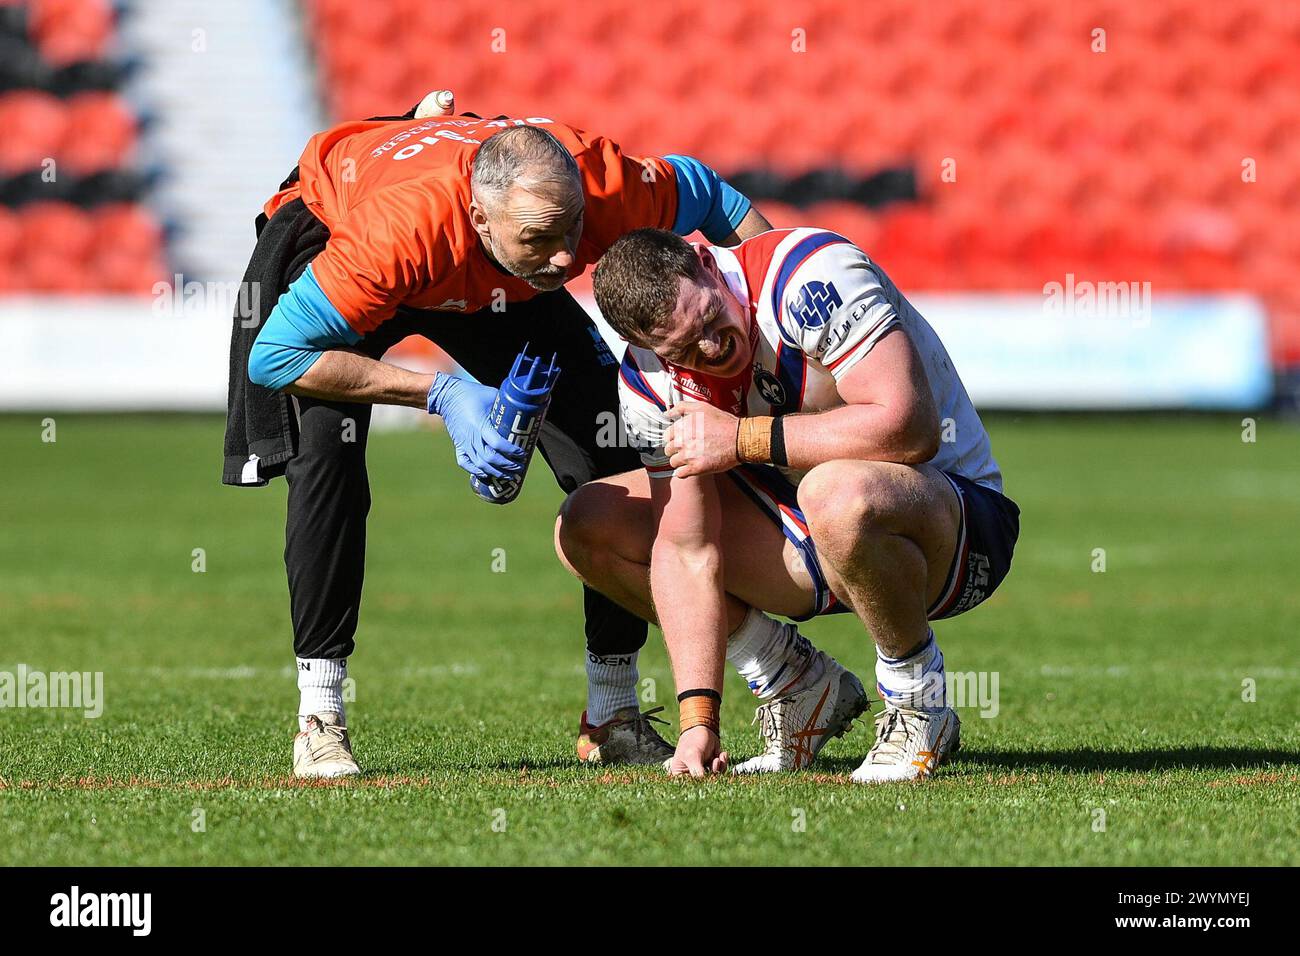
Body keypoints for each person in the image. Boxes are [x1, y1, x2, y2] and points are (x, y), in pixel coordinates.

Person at [224, 98, 773, 777]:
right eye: (543, 238)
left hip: (495, 273)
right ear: (482, 218)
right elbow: (274, 357)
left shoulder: (600, 188)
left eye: (572, 229)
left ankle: (613, 715)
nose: (570, 257)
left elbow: (719, 201)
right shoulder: (395, 236)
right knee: (326, 455)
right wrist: (444, 393)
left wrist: (774, 339)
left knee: (613, 447)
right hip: (345, 220)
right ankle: (320, 718)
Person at [555, 227, 1020, 781]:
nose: (710, 348)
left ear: (706, 262)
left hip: (952, 523)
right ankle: (795, 683)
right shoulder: (649, 381)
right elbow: (686, 550)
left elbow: (908, 427)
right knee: (589, 522)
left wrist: (742, 439)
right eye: (680, 348)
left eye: (708, 319)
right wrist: (697, 720)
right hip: (811, 526)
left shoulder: (810, 276)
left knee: (835, 494)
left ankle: (919, 705)